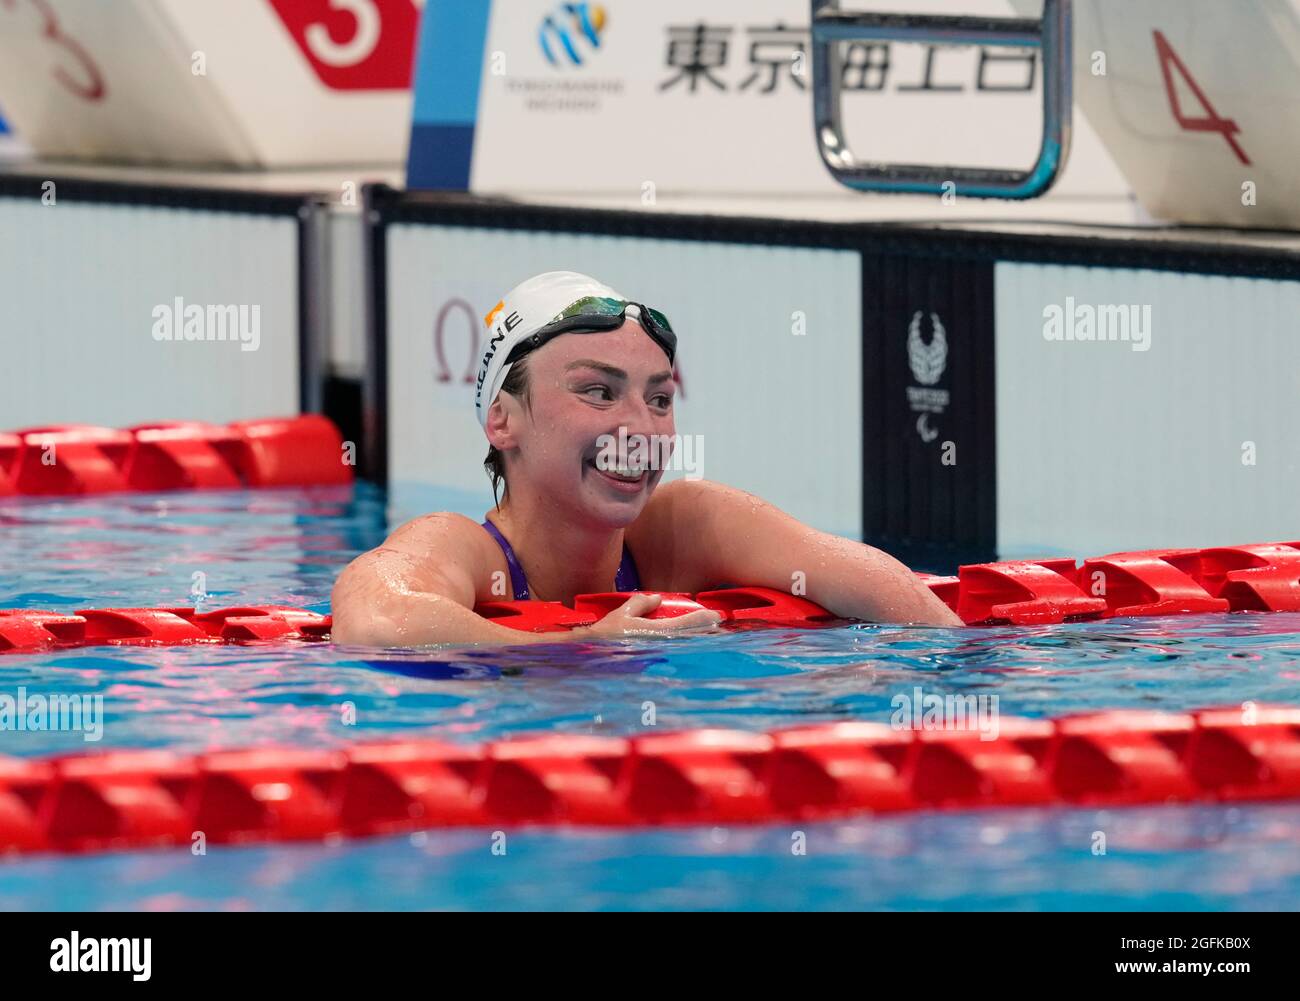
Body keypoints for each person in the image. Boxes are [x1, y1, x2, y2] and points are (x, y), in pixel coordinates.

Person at [332, 271, 961, 645]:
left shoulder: (686, 525)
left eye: (659, 399)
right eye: (597, 392)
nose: (639, 428)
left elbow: (882, 586)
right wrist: (580, 648)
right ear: (503, 419)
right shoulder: (462, 548)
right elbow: (376, 619)